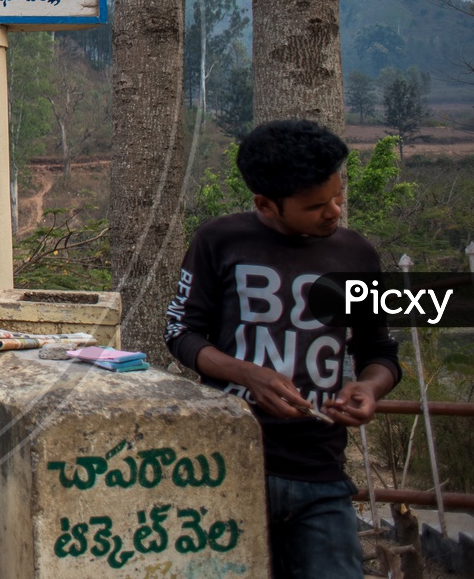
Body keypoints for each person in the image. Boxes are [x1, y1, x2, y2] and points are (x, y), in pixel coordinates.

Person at [165, 119, 400, 578]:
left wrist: (370, 388)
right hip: (227, 466)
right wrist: (245, 373)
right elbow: (181, 332)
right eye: (316, 206)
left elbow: (380, 352)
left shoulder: (357, 256)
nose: (334, 211)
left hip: (321, 471)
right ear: (265, 204)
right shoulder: (220, 241)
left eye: (337, 195)